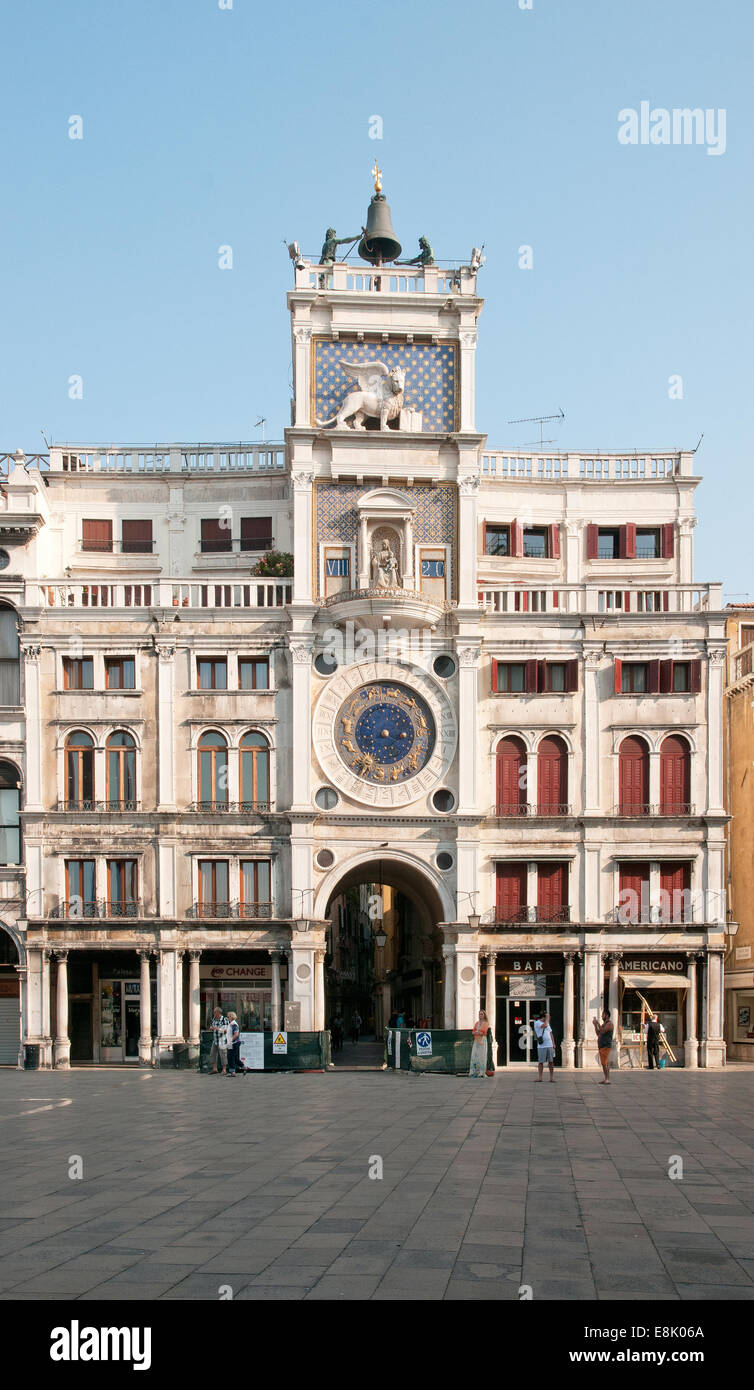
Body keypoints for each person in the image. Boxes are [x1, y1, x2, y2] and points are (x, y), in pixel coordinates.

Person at [593, 1007, 614, 1084]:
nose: (602, 1016)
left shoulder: (609, 1024)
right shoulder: (604, 1024)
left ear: (607, 1016)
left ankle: (607, 1079)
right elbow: (599, 1033)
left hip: (606, 1045)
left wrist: (597, 1023)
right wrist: (595, 1025)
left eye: (603, 1015)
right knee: (603, 1063)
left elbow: (603, 1030)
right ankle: (606, 1078)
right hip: (602, 1045)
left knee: (605, 1063)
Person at [534, 1011, 556, 1082]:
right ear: (543, 1017)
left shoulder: (547, 1023)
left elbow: (550, 1033)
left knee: (551, 1061)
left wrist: (553, 1043)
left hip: (549, 1044)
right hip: (542, 1046)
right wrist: (547, 1018)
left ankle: (551, 1077)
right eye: (547, 1016)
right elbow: (544, 1026)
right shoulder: (537, 1022)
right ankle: (540, 1077)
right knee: (541, 1062)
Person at [208, 1006, 229, 1076]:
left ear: (218, 1012)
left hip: (222, 1040)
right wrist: (211, 1028)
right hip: (215, 1040)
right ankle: (214, 1069)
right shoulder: (214, 1019)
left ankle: (224, 1070)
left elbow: (226, 1030)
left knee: (223, 1055)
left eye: (214, 1012)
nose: (213, 1013)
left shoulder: (224, 1019)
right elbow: (213, 1027)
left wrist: (216, 1028)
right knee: (212, 1054)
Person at [469, 1009, 491, 1078]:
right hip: (476, 1041)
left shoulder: (486, 1023)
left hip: (482, 1041)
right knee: (474, 1055)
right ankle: (474, 1071)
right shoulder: (477, 1023)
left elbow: (483, 1033)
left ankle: (481, 1072)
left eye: (482, 1014)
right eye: (479, 1014)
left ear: (484, 1015)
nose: (480, 1015)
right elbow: (473, 1032)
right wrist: (477, 1032)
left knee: (482, 1056)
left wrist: (477, 1032)